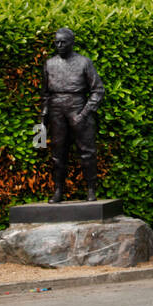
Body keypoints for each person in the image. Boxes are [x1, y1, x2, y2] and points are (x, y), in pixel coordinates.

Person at [42, 27, 105, 203]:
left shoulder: (84, 63)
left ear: (71, 43)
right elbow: (45, 93)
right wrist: (44, 116)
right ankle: (58, 191)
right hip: (56, 111)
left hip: (78, 107)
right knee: (57, 154)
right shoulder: (49, 64)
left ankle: (91, 189)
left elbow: (98, 90)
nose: (59, 45)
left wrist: (84, 113)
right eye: (56, 42)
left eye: (63, 42)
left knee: (87, 152)